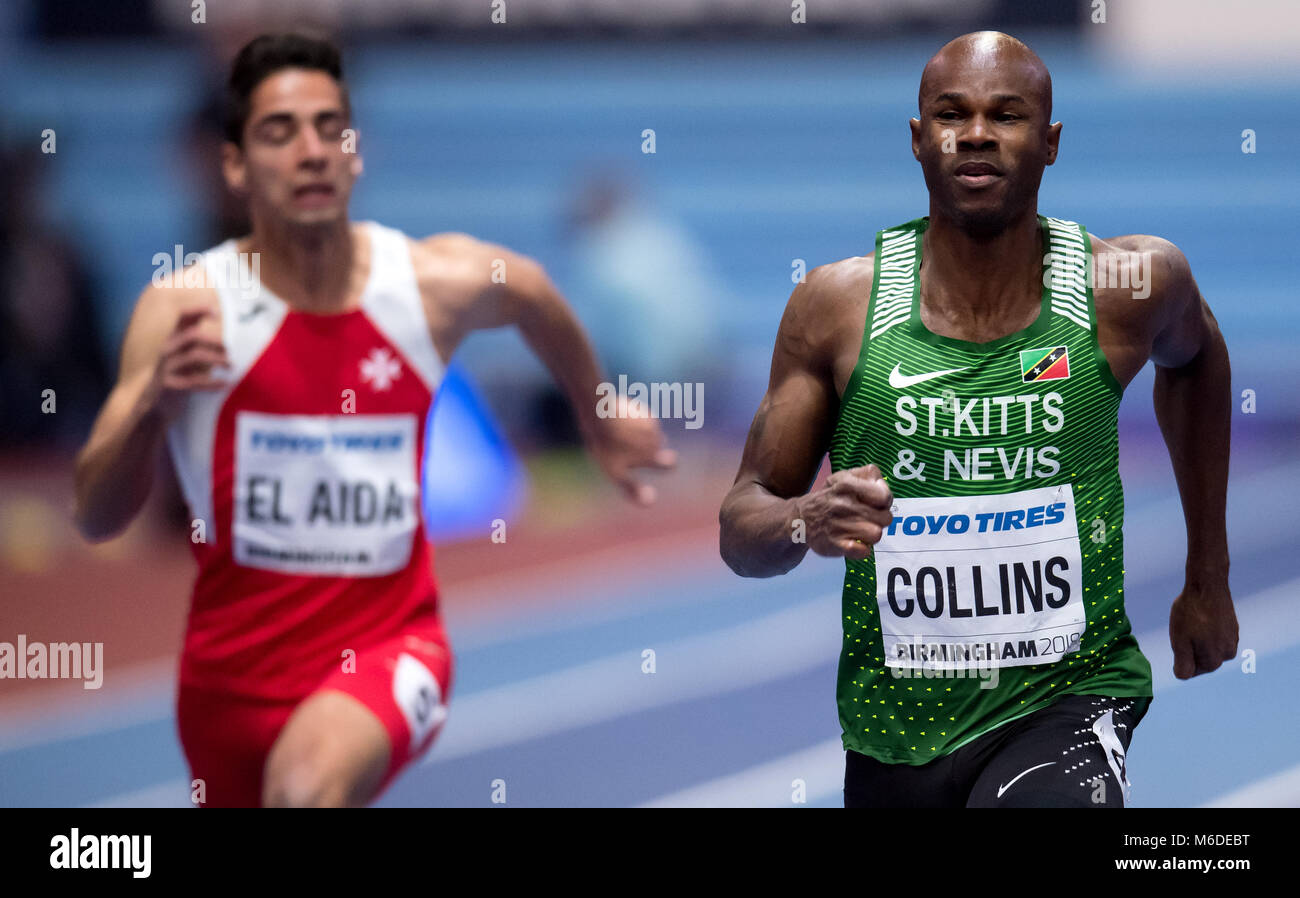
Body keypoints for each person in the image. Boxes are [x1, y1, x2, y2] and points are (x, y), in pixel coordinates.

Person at [73, 33, 675, 807]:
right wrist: (151, 408)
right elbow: (94, 516)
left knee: (306, 788)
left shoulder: (425, 285)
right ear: (233, 166)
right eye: (280, 132)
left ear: (357, 153)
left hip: (394, 648)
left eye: (331, 128)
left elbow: (529, 290)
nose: (312, 151)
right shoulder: (183, 312)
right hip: (227, 688)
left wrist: (599, 413)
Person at [718, 31, 1237, 808]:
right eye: (951, 114)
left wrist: (1209, 576)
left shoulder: (1127, 286)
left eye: (1009, 114)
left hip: (1070, 697)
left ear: (1051, 142)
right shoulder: (835, 309)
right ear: (920, 140)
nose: (978, 133)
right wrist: (805, 520)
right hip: (898, 721)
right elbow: (741, 528)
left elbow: (1195, 361)